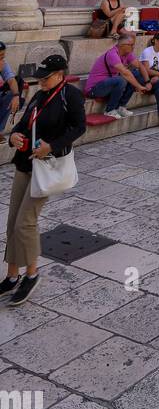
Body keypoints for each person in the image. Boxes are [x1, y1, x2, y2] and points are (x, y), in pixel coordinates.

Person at [2, 54, 86, 306]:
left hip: (47, 165)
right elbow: (26, 124)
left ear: (60, 75)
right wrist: (13, 137)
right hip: (25, 162)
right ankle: (11, 275)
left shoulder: (69, 95)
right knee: (12, 221)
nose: (41, 82)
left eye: (46, 78)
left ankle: (32, 274)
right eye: (40, 78)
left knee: (25, 222)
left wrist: (51, 146)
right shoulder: (39, 95)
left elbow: (79, 127)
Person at [84, 34, 152, 119]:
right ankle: (110, 110)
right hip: (94, 89)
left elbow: (140, 65)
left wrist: (147, 82)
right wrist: (138, 86)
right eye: (131, 45)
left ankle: (121, 107)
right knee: (121, 80)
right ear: (122, 45)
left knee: (137, 74)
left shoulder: (127, 53)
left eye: (134, 44)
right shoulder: (112, 54)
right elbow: (125, 73)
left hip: (109, 85)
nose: (133, 47)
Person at [0, 42, 21, 141]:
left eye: (3, 55)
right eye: (0, 55)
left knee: (11, 96)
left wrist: (16, 96)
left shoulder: (3, 63)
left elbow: (12, 80)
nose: (2, 57)